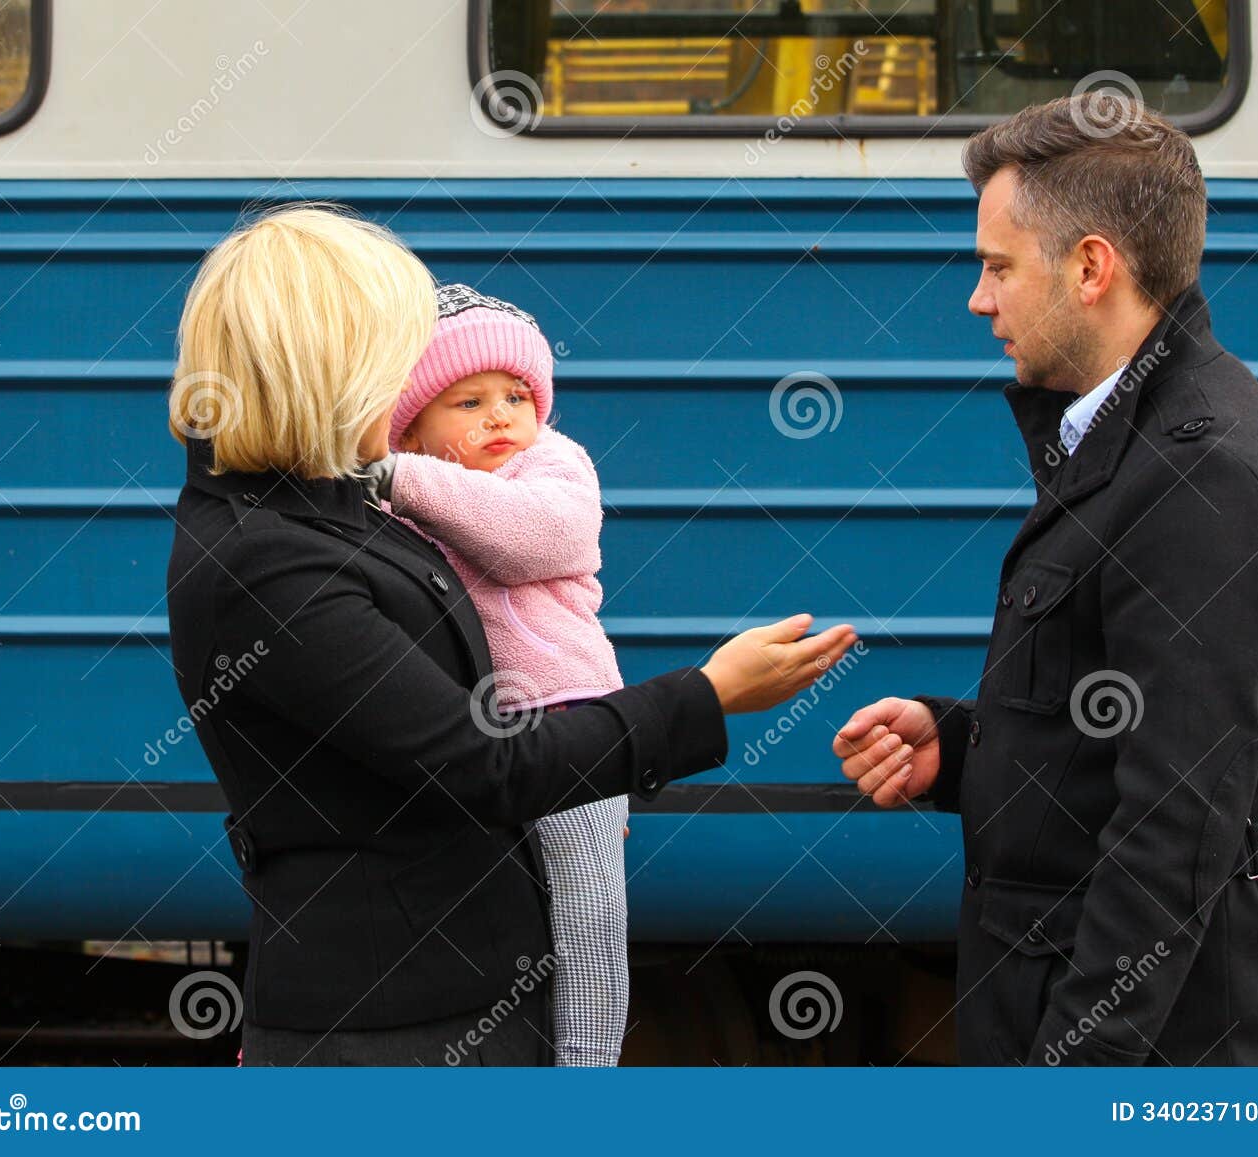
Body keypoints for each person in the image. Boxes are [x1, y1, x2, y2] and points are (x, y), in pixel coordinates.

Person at [163, 205, 858, 1066]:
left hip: (452, 1003)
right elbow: (477, 763)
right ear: (326, 365)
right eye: (388, 351)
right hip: (392, 1033)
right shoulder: (267, 561)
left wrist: (593, 768)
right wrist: (705, 698)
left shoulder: (323, 511)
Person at [834, 94, 1258, 1065]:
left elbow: (1176, 822)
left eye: (997, 267)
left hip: (1179, 1050)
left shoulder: (1197, 475)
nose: (978, 299)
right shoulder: (1144, 435)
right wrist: (965, 744)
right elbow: (1116, 718)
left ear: (1091, 266)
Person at [365, 283, 632, 1066]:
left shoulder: (551, 466)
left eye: (518, 395)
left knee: (587, 912)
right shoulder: (407, 496)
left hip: (569, 723)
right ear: (408, 424)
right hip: (474, 742)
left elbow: (532, 538)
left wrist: (397, 478)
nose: (501, 416)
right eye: (468, 400)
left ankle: (586, 1071)